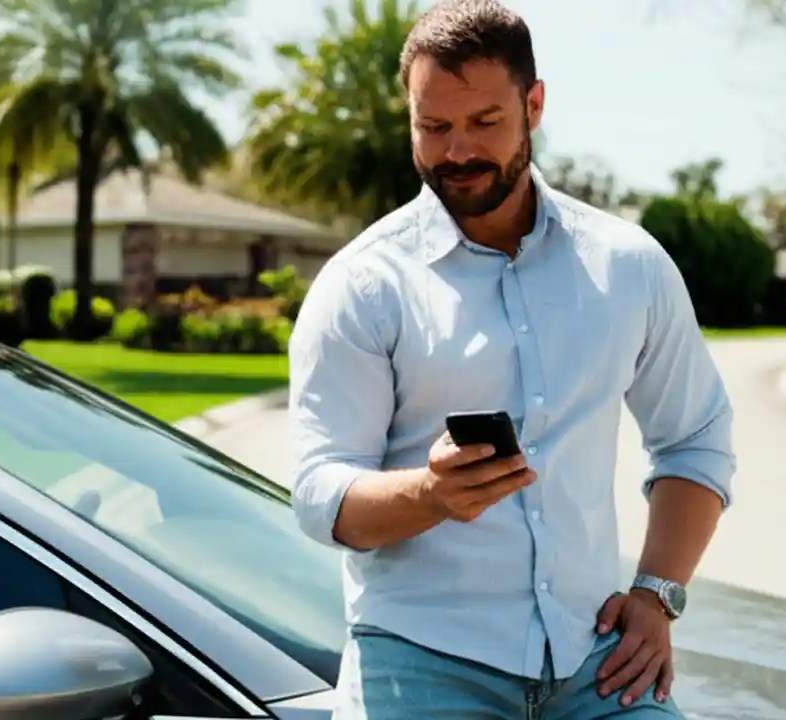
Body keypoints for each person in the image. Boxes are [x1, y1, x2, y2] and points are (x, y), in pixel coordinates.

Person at [286, 0, 736, 717]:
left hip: (598, 663)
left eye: (484, 123)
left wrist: (657, 594)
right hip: (421, 665)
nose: (457, 152)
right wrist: (430, 496)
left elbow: (695, 439)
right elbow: (318, 493)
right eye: (432, 128)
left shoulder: (629, 267)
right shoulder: (363, 285)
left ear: (534, 104)